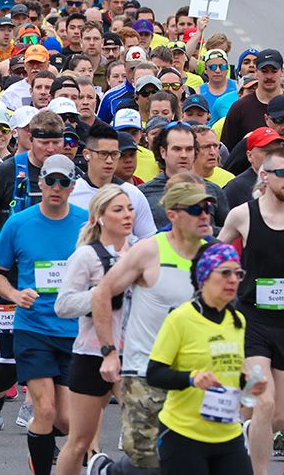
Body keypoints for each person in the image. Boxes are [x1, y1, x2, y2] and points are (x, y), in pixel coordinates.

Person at [88, 180, 215, 475]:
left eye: (208, 208)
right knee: (147, 462)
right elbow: (103, 292)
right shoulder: (148, 251)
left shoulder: (214, 254)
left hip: (197, 375)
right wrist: (109, 351)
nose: (205, 215)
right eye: (196, 209)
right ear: (172, 215)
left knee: (192, 457)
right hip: (145, 372)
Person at [0, 154, 88, 475]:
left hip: (73, 332)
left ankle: (48, 449)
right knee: (43, 409)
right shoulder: (19, 224)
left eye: (63, 182)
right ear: (40, 183)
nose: (56, 188)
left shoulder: (86, 224)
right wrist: (16, 294)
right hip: (33, 328)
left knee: (65, 420)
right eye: (50, 181)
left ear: (73, 186)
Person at [146, 242, 257, 475]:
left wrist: (250, 384)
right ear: (204, 276)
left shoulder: (238, 321)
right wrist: (191, 378)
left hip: (228, 434)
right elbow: (154, 374)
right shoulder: (180, 319)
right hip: (183, 434)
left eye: (238, 273)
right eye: (225, 272)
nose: (233, 280)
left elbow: (229, 376)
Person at [53, 184, 133, 475]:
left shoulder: (138, 251)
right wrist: (102, 295)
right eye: (118, 210)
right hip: (91, 353)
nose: (126, 216)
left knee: (147, 429)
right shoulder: (86, 255)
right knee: (79, 440)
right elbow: (63, 304)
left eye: (129, 209)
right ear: (99, 216)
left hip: (132, 355)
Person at [218, 146, 284, 475]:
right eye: (281, 173)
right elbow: (215, 255)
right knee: (264, 400)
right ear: (265, 176)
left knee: (279, 415)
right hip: (252, 320)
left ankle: (243, 423)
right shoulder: (243, 214)